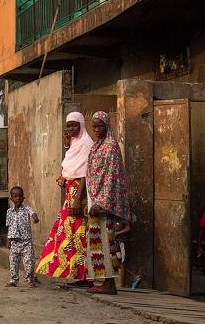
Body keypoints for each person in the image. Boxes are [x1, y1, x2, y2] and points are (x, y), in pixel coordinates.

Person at [37, 112, 94, 286]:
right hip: (71, 193)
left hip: (80, 196)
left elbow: (85, 174)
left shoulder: (86, 143)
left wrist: (77, 199)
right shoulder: (75, 143)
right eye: (68, 125)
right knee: (70, 236)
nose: (71, 129)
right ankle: (79, 275)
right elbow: (71, 168)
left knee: (80, 235)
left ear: (82, 125)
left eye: (74, 125)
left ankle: (87, 276)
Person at [85, 111, 131, 295]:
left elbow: (111, 177)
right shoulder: (98, 146)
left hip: (104, 204)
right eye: (94, 126)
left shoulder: (110, 147)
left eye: (100, 126)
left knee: (105, 243)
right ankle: (104, 282)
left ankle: (108, 283)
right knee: (99, 242)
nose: (96, 129)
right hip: (95, 200)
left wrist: (101, 202)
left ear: (106, 125)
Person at [6, 186, 40, 287]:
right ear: (11, 199)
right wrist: (8, 240)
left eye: (20, 196)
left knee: (29, 261)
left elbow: (33, 213)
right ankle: (13, 280)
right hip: (14, 242)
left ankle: (30, 279)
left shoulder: (26, 209)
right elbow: (9, 226)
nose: (18, 198)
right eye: (15, 196)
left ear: (23, 198)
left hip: (26, 242)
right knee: (13, 262)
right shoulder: (9, 212)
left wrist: (35, 218)